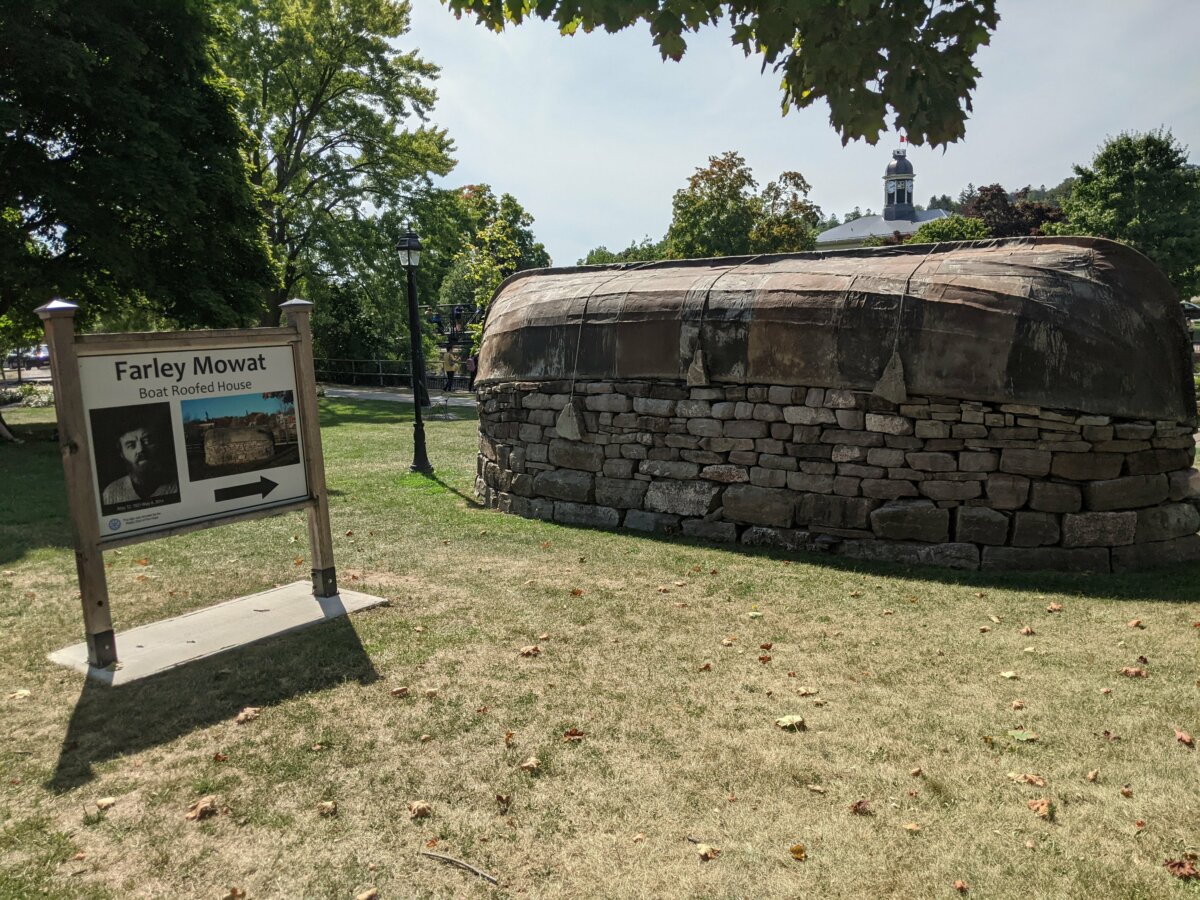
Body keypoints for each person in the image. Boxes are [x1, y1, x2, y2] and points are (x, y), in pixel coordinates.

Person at [102, 421, 179, 507]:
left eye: (147, 441)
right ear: (122, 454)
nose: (140, 449)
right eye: (131, 445)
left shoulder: (177, 486)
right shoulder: (111, 494)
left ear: (157, 444)